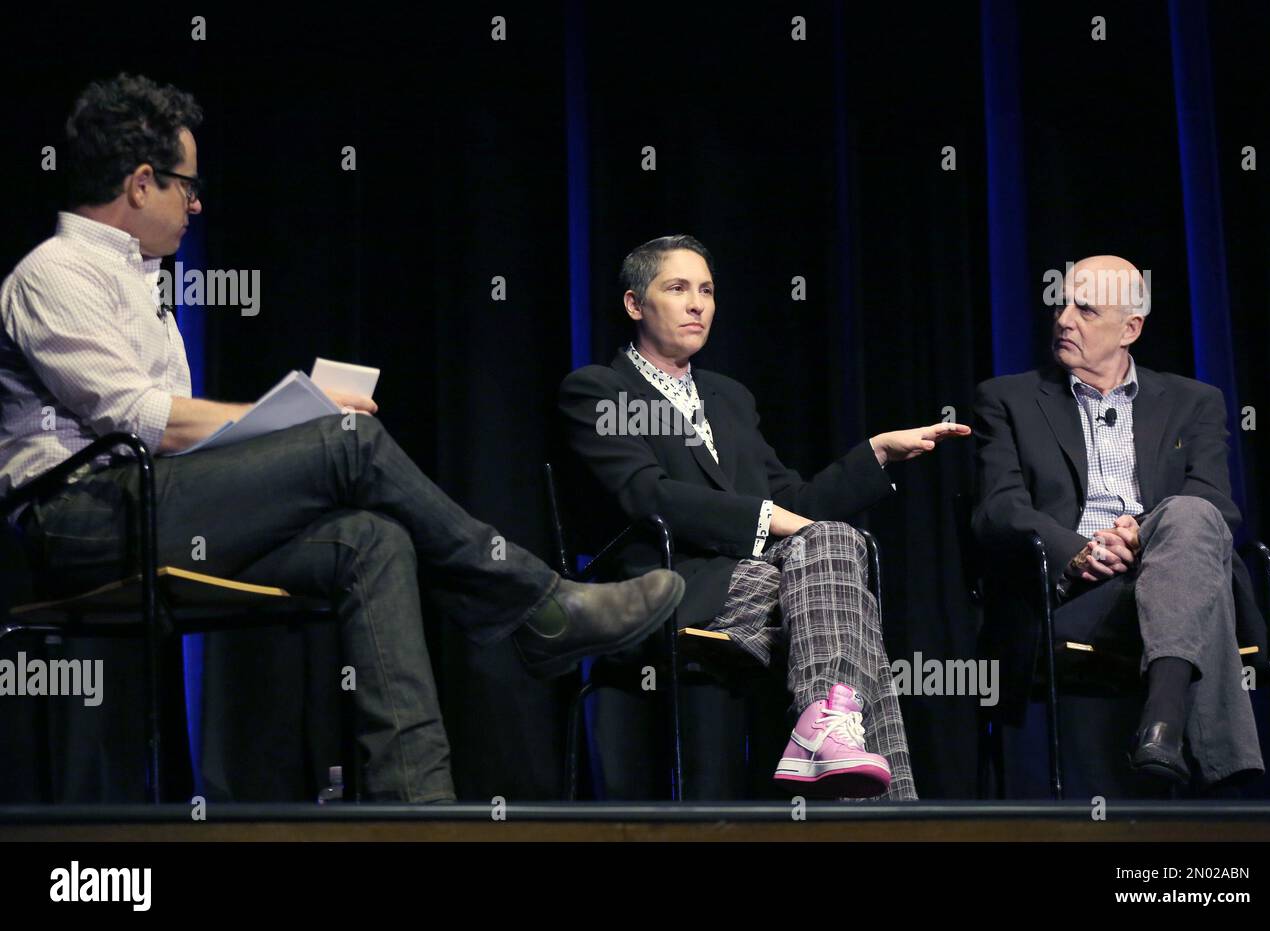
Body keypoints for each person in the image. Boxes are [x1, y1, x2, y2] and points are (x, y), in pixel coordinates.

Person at [0, 74, 685, 803]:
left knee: (371, 540)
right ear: (141, 183)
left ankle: (415, 802)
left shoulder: (142, 283)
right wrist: (302, 419)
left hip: (152, 506)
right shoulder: (55, 272)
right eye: (185, 185)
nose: (196, 203)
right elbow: (143, 418)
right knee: (348, 440)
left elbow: (175, 437)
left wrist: (282, 423)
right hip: (83, 522)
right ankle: (539, 602)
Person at [559, 234, 970, 799]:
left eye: (706, 290)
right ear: (635, 305)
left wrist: (874, 452)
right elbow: (646, 496)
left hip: (754, 581)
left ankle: (824, 735)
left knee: (829, 562)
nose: (697, 304)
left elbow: (794, 500)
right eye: (677, 288)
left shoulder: (729, 397)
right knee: (846, 606)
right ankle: (882, 807)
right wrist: (775, 520)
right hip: (662, 585)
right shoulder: (599, 390)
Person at [972, 254, 1264, 788]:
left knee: (1191, 514)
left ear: (1130, 329)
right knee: (1192, 558)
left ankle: (1160, 725)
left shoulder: (1193, 401)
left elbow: (1217, 503)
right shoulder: (1006, 399)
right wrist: (1076, 551)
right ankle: (1210, 764)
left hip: (1169, 570)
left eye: (1085, 310)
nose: (1063, 319)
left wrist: (1137, 528)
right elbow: (1000, 508)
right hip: (1075, 593)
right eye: (1062, 303)